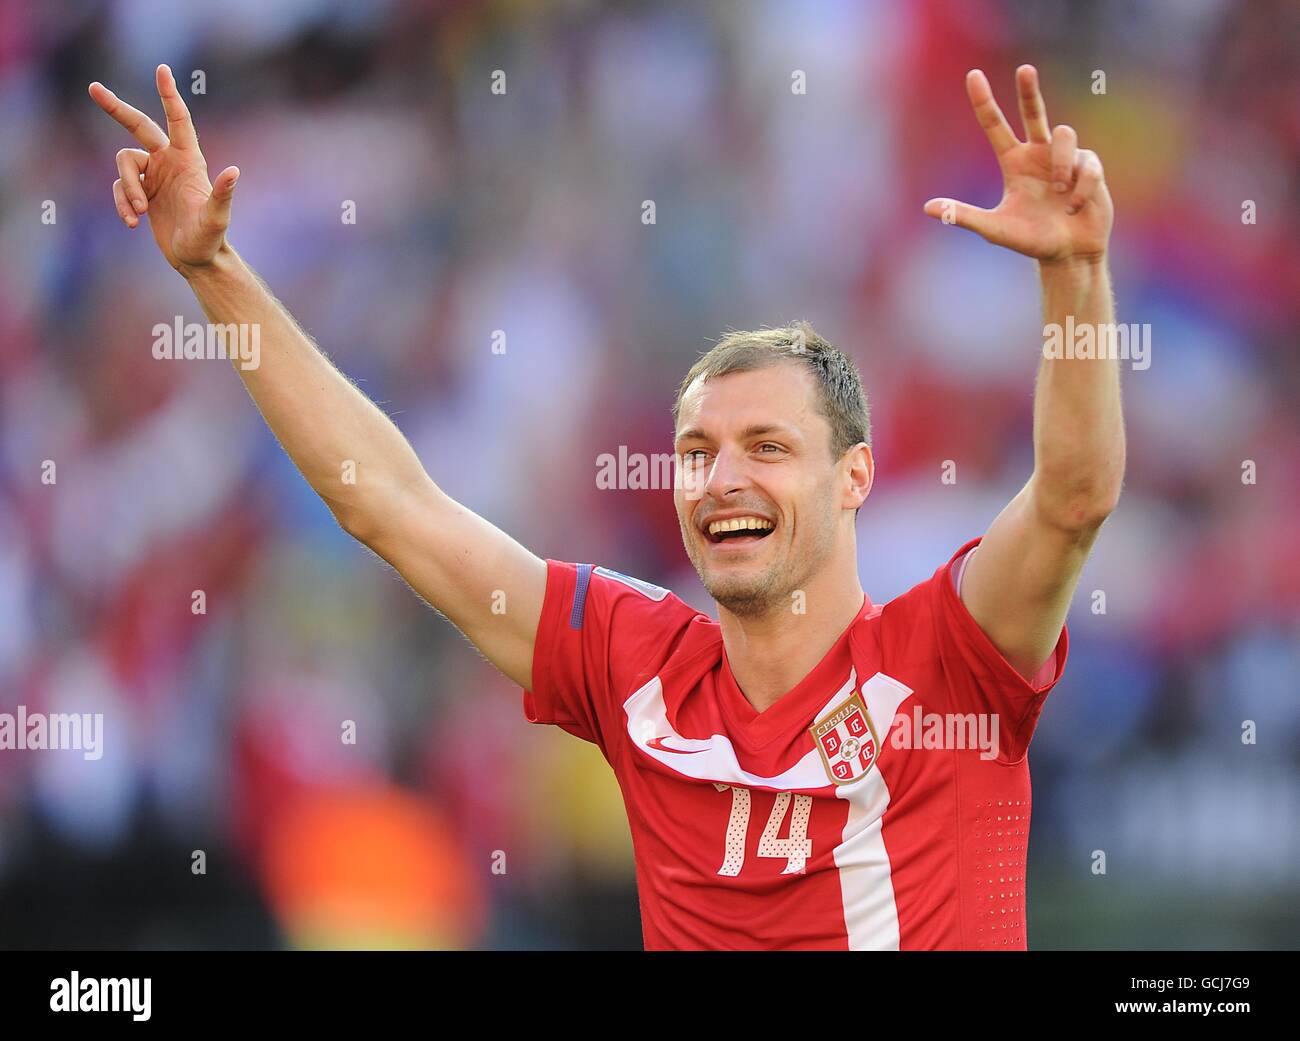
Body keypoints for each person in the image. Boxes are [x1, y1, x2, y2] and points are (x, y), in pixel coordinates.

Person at [90, 62, 1123, 949]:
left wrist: (1074, 273)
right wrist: (214, 270)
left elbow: (1072, 500)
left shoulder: (947, 661)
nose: (723, 480)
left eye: (767, 448)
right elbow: (393, 507)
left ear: (852, 477)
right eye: (696, 452)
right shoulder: (638, 667)